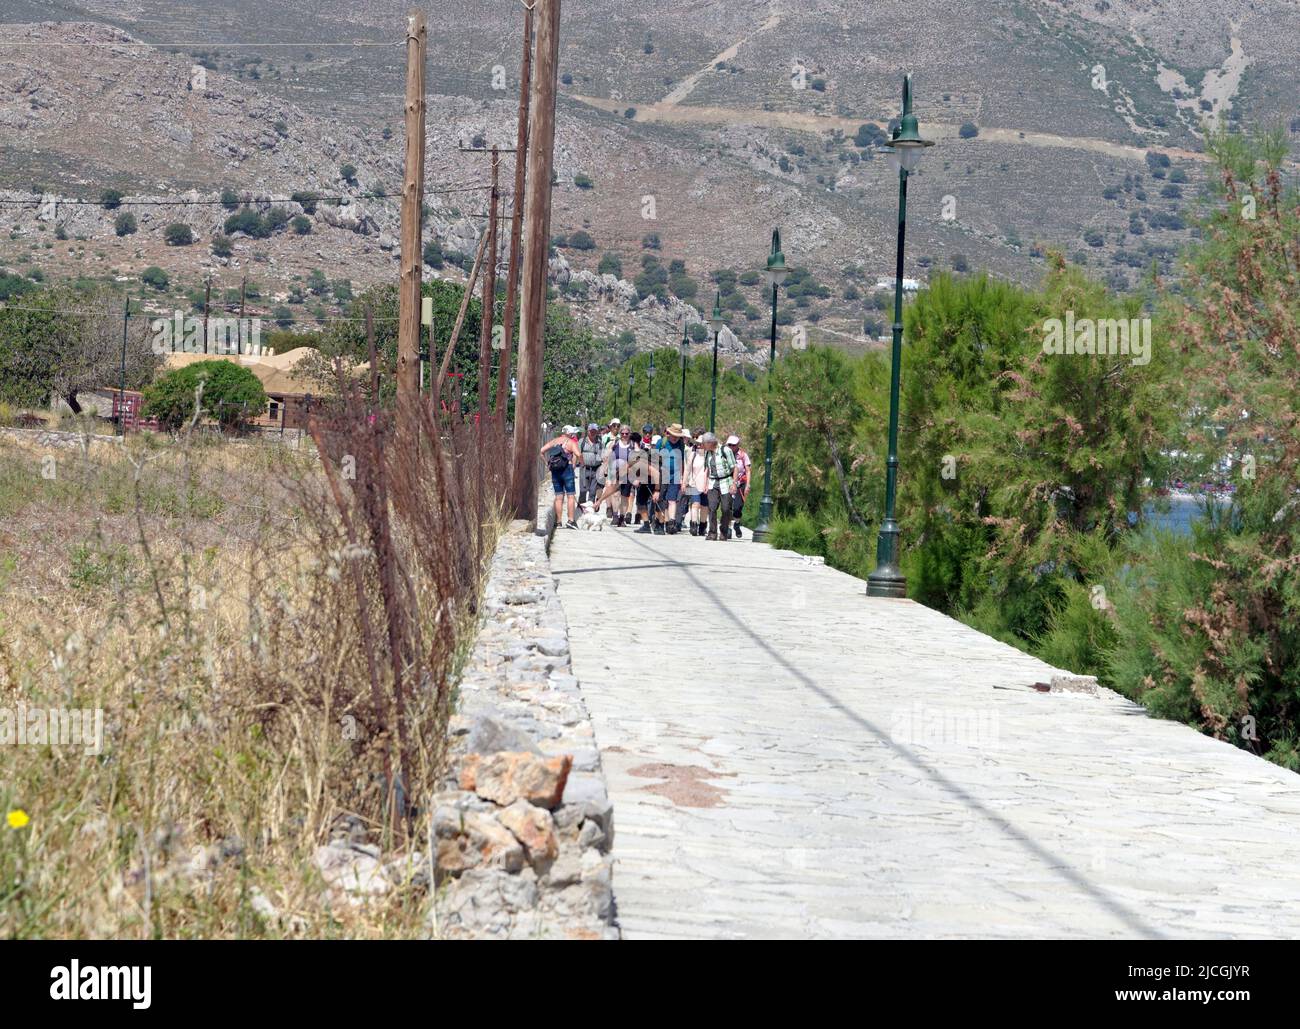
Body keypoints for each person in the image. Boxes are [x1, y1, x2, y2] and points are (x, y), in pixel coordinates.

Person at [539, 426, 581, 528]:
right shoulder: (571, 442)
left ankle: (558, 522)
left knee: (558, 497)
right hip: (567, 470)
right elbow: (578, 454)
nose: (573, 435)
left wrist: (547, 464)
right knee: (570, 496)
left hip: (555, 471)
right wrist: (576, 463)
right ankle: (571, 520)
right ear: (569, 433)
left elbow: (541, 451)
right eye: (572, 433)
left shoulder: (554, 441)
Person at [701, 431, 737, 540]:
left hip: (726, 481)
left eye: (704, 443)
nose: (703, 445)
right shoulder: (707, 453)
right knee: (712, 507)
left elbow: (735, 467)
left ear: (711, 442)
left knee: (726, 509)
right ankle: (712, 533)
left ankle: (724, 532)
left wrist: (734, 484)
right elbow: (707, 469)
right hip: (713, 483)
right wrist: (705, 484)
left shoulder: (725, 450)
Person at [659, 424, 689, 534]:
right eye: (674, 435)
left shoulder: (681, 444)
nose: (675, 438)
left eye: (678, 436)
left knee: (672, 499)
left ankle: (671, 523)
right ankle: (661, 521)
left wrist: (682, 477)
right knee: (661, 499)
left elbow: (681, 460)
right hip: (662, 474)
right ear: (669, 433)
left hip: (675, 475)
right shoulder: (662, 442)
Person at [682, 428, 710, 535]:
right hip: (693, 484)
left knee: (704, 506)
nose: (699, 445)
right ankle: (693, 525)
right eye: (697, 443)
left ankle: (702, 526)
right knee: (695, 504)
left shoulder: (709, 456)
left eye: (701, 444)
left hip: (706, 485)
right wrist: (684, 483)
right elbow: (687, 469)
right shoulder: (692, 454)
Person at [726, 434, 752, 538]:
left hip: (740, 483)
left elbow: (748, 470)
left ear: (737, 445)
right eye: (729, 445)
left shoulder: (743, 455)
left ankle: (736, 524)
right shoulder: (725, 454)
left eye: (733, 445)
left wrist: (748, 485)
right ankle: (727, 528)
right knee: (727, 507)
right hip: (728, 482)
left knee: (737, 508)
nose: (731, 447)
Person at [578, 423, 604, 506]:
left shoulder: (600, 443)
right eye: (591, 431)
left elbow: (603, 456)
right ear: (588, 431)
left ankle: (590, 507)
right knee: (583, 489)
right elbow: (577, 454)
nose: (593, 433)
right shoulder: (582, 441)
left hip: (596, 469)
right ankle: (581, 506)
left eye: (594, 431)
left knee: (593, 491)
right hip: (584, 468)